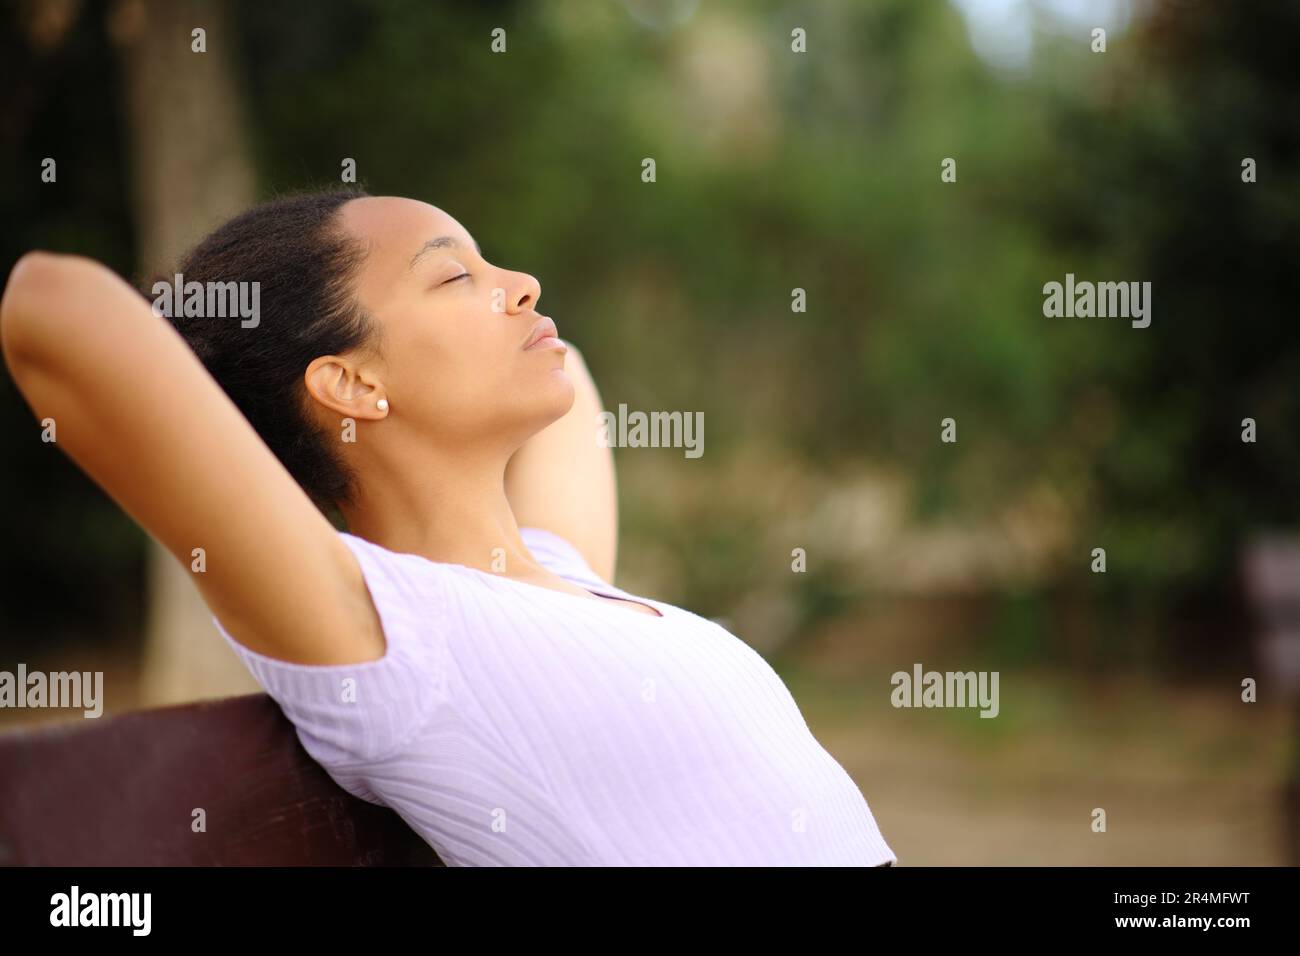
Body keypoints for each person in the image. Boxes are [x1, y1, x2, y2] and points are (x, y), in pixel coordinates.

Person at [0, 187, 897, 867]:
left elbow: (570, 372)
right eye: (456, 275)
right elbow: (53, 304)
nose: (524, 285)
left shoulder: (558, 574)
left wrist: (463, 290)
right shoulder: (392, 639)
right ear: (351, 385)